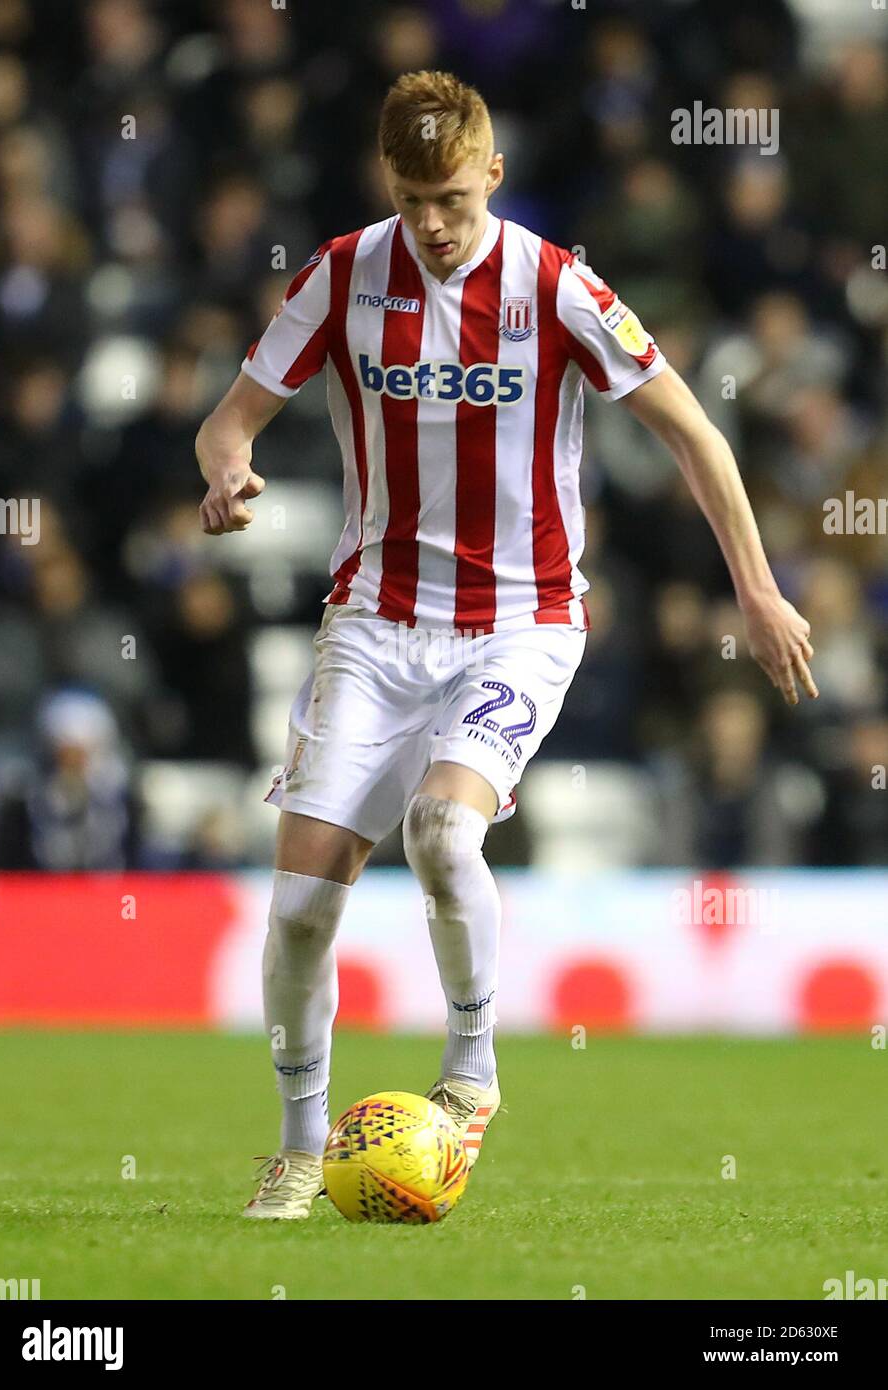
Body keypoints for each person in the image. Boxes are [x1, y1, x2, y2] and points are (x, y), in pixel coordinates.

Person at [194, 70, 818, 1220]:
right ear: (386, 183)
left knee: (440, 827)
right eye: (409, 196)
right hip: (374, 625)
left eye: (448, 195)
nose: (430, 222)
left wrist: (758, 589)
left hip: (520, 624)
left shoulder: (557, 285)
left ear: (491, 171)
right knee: (296, 910)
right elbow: (229, 415)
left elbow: (693, 435)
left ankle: (472, 1075)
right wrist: (227, 467)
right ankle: (294, 1148)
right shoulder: (339, 275)